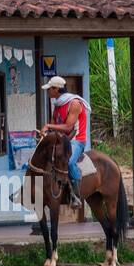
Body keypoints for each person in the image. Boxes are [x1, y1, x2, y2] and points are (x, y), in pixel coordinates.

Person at [41, 75, 90, 208]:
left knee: (68, 162)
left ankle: (76, 195)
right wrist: (46, 135)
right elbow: (53, 124)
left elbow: (68, 127)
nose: (48, 91)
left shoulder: (74, 103)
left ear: (56, 89)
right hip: (62, 140)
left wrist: (48, 127)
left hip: (76, 140)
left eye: (49, 89)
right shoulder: (57, 104)